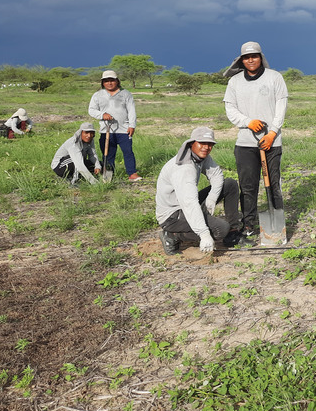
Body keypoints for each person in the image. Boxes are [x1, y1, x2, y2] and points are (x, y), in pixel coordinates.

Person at [223, 41, 288, 240]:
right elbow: (230, 109)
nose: (251, 60)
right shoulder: (234, 82)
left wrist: (272, 133)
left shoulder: (275, 77)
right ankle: (249, 225)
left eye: (254, 56)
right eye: (246, 57)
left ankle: (278, 228)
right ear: (241, 60)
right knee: (248, 186)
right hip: (245, 143)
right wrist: (248, 122)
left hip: (272, 142)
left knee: (273, 185)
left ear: (261, 57)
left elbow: (281, 107)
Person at [155, 126, 243, 254]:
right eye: (202, 143)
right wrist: (204, 233)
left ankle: (233, 232)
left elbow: (217, 175)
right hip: (172, 215)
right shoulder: (184, 169)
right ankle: (173, 235)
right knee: (221, 229)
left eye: (210, 144)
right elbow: (189, 203)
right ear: (192, 143)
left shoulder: (200, 156)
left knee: (229, 184)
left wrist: (212, 198)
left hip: (186, 202)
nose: (206, 147)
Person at [88, 70, 142, 181]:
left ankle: (132, 174)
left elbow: (131, 111)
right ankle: (108, 176)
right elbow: (91, 110)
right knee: (108, 154)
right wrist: (102, 114)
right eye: (106, 81)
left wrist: (132, 125)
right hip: (106, 130)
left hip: (124, 129)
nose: (109, 83)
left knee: (128, 152)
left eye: (112, 80)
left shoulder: (126, 94)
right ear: (103, 83)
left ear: (117, 81)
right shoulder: (98, 95)